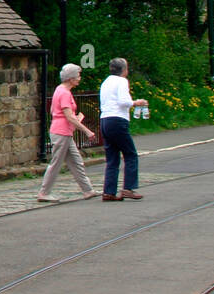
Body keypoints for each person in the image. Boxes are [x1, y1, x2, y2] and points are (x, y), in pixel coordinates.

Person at [36, 64, 99, 201]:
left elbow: (56, 112)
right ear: (71, 78)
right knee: (57, 162)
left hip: (64, 132)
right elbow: (68, 116)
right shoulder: (64, 93)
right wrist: (87, 131)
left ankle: (87, 190)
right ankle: (44, 192)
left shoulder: (60, 90)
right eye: (78, 76)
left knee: (76, 161)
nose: (79, 78)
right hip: (61, 132)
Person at [99, 57, 149, 201]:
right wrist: (136, 102)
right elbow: (123, 101)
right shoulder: (122, 81)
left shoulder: (106, 82)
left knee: (112, 158)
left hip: (105, 120)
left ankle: (109, 191)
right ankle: (128, 188)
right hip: (118, 119)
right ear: (124, 70)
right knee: (130, 154)